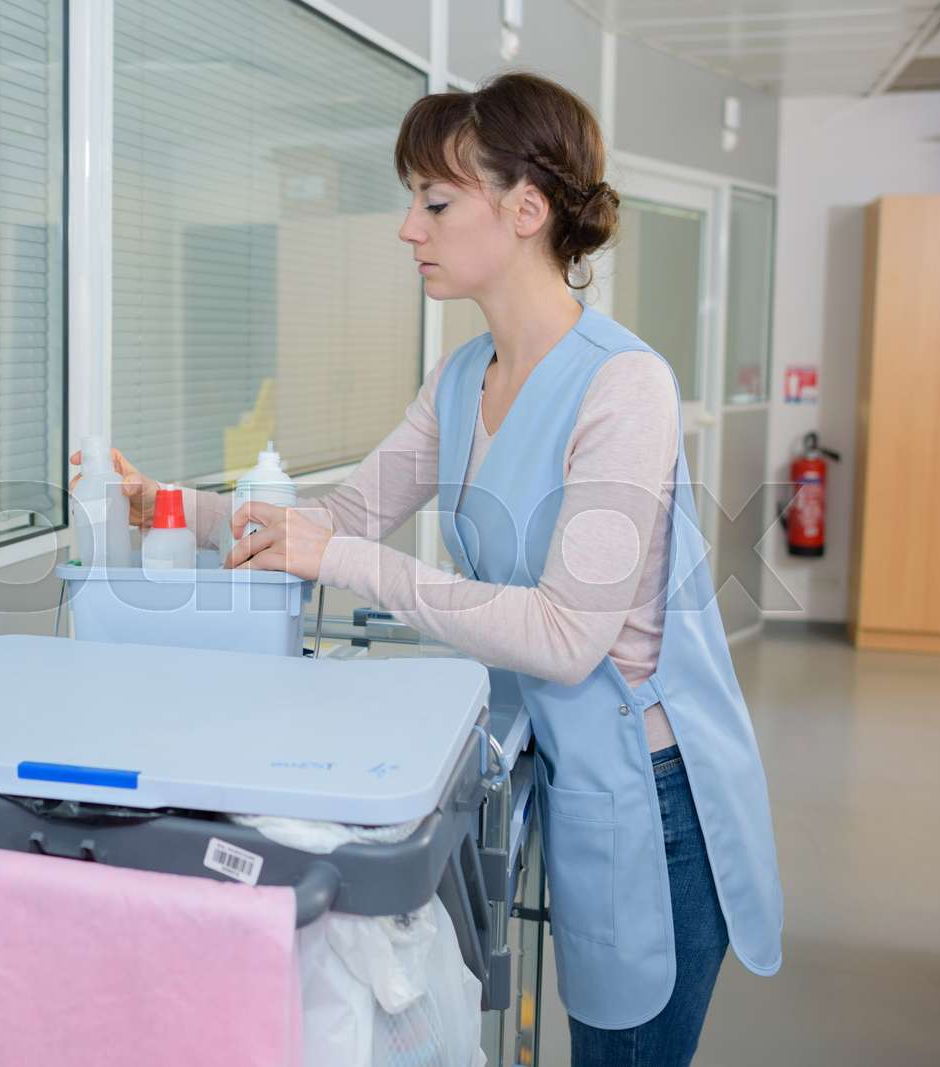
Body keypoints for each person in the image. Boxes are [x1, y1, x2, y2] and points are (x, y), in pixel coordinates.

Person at [69, 72, 781, 1066]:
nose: (409, 227)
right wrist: (176, 510)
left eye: (435, 201)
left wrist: (352, 562)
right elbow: (342, 517)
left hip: (651, 799)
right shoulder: (462, 378)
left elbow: (566, 636)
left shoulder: (626, 387)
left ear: (526, 209)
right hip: (561, 766)